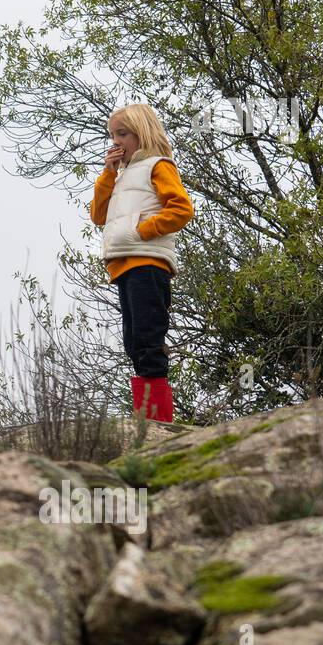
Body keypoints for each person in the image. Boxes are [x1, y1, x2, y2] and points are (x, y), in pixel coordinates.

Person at [91, 104, 193, 422]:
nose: (116, 142)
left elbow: (181, 209)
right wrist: (108, 173)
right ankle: (147, 418)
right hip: (124, 267)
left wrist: (143, 231)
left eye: (123, 134)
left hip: (148, 264)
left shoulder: (157, 165)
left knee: (149, 342)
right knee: (134, 344)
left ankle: (158, 423)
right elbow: (98, 215)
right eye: (112, 136)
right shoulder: (120, 176)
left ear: (142, 132)